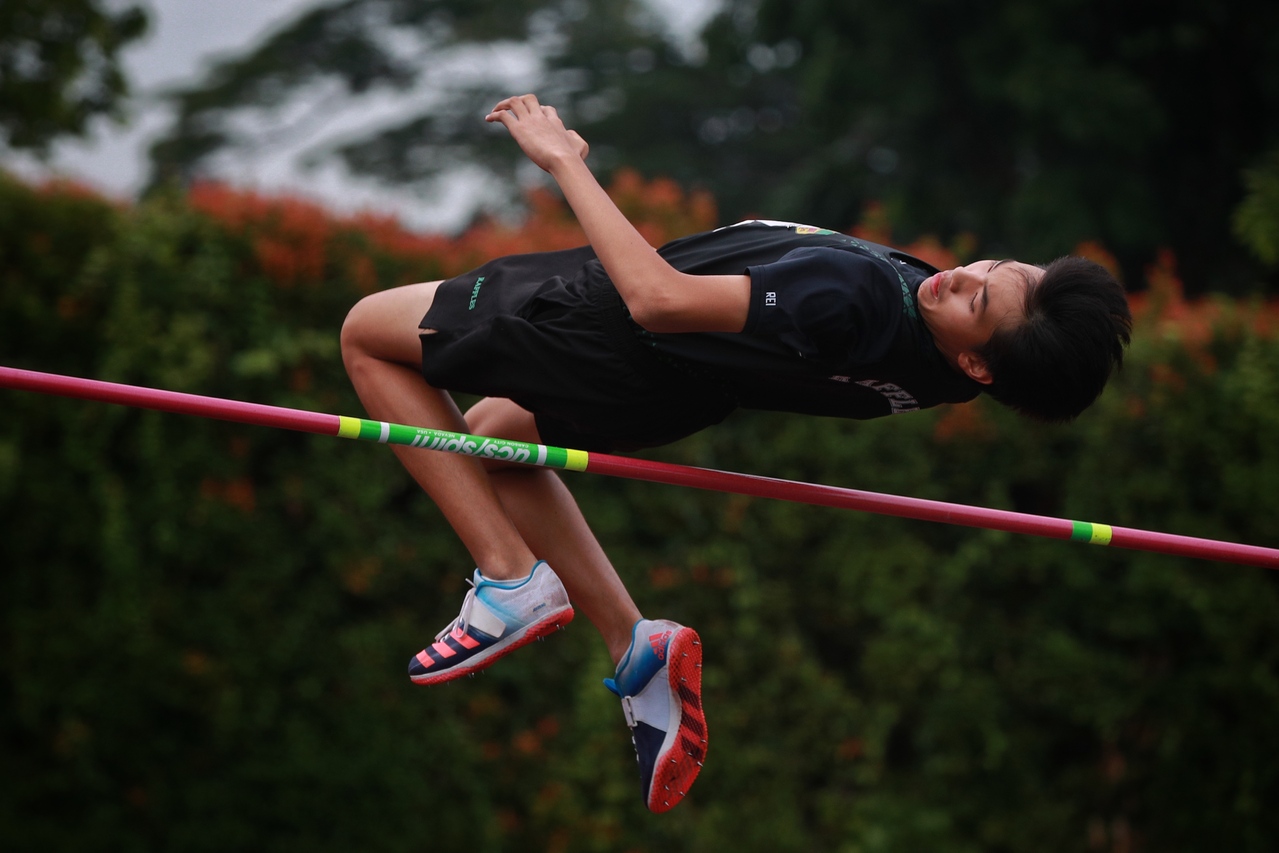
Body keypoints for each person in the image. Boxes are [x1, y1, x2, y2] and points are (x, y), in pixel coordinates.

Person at [339, 94, 1133, 813]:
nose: (958, 276)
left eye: (977, 299)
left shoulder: (854, 300)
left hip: (600, 327)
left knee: (370, 337)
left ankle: (507, 577)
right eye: (994, 266)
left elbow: (657, 299)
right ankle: (633, 643)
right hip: (672, 390)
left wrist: (563, 163)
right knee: (496, 443)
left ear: (979, 366)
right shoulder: (943, 377)